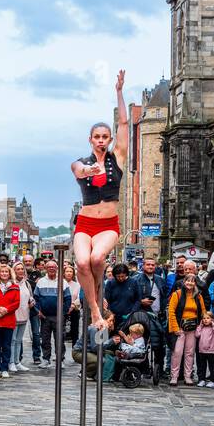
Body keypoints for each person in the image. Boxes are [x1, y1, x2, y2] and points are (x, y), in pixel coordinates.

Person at [71, 70, 129, 328]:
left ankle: (96, 299)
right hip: (85, 223)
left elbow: (125, 126)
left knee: (96, 260)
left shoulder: (117, 159)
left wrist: (119, 92)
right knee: (82, 261)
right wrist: (89, 170)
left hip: (108, 225)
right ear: (91, 140)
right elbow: (78, 170)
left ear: (110, 140)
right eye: (97, 137)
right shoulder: (81, 163)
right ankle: (94, 309)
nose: (102, 140)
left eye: (105, 137)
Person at [166, 272, 206, 386]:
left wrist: (203, 322)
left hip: (193, 328)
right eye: (188, 281)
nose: (190, 283)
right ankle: (174, 376)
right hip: (179, 327)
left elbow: (202, 311)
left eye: (192, 281)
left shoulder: (198, 296)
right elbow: (171, 311)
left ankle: (188, 376)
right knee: (177, 352)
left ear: (195, 283)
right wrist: (175, 328)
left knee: (189, 353)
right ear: (184, 282)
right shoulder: (177, 294)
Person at [33, 260, 71, 367]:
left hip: (59, 316)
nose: (51, 269)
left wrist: (63, 312)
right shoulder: (40, 282)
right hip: (44, 316)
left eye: (54, 267)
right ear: (46, 268)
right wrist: (38, 311)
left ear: (57, 269)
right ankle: (46, 359)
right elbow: (36, 298)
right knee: (45, 339)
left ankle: (60, 360)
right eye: (49, 267)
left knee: (60, 339)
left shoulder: (63, 282)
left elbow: (68, 299)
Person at [11, 262, 34, 372]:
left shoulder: (27, 284)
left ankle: (17, 361)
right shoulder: (11, 283)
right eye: (18, 269)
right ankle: (11, 362)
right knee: (12, 340)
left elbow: (30, 297)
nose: (20, 271)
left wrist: (31, 302)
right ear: (14, 271)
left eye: (22, 269)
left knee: (19, 340)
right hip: (13, 315)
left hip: (24, 315)